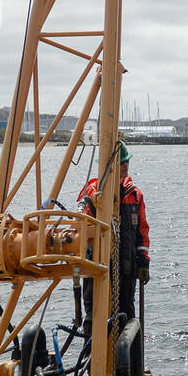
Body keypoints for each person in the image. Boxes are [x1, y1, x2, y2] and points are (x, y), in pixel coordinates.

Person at [77, 141, 150, 330]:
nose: (126, 165)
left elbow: (142, 231)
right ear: (109, 167)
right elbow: (81, 228)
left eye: (127, 162)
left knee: (127, 312)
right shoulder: (93, 195)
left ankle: (125, 357)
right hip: (97, 266)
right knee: (95, 313)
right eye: (122, 162)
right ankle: (92, 353)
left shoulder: (135, 195)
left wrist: (143, 262)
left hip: (127, 266)